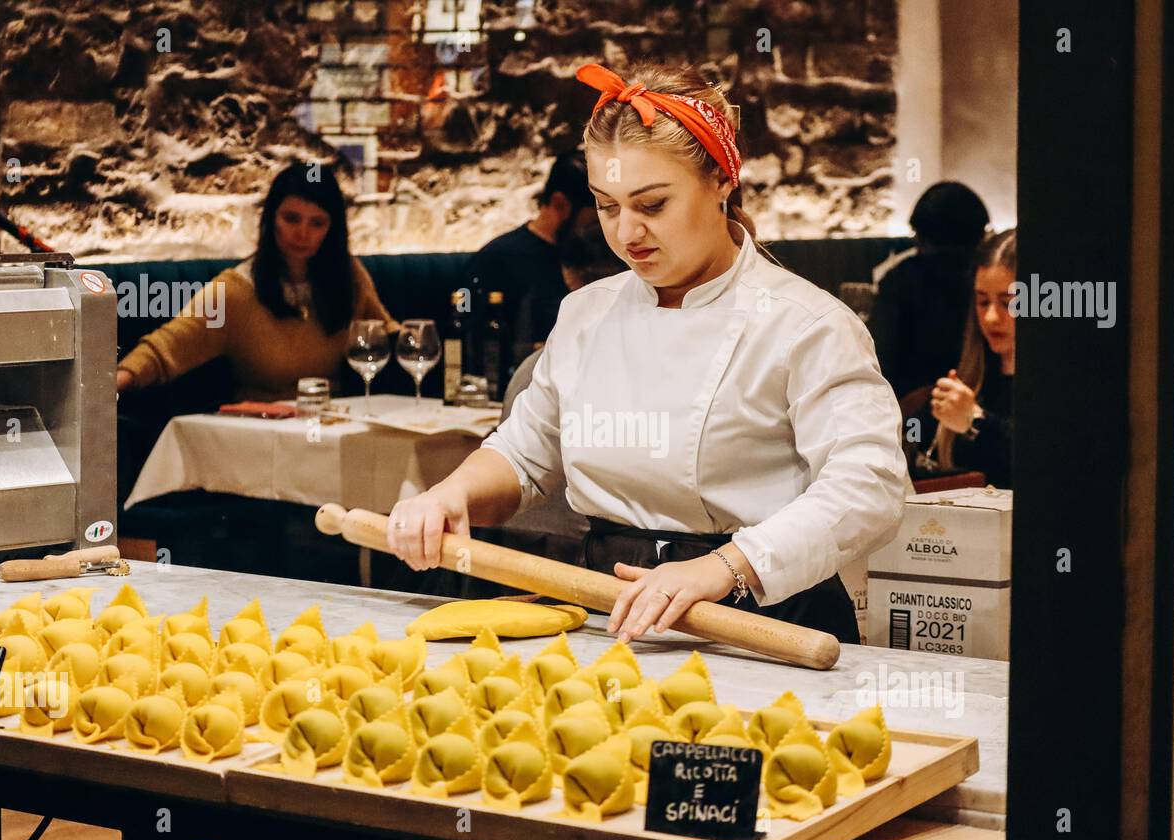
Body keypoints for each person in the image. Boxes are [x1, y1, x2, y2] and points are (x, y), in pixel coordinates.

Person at [386, 62, 907, 646]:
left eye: (652, 204)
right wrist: (450, 492)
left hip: (762, 622)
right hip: (608, 609)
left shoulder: (805, 324)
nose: (626, 233)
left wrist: (724, 568)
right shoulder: (587, 312)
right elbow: (524, 453)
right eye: (607, 206)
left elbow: (870, 485)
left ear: (721, 183)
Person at [116, 162, 395, 402]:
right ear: (271, 218)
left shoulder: (348, 277)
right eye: (291, 218)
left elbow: (387, 334)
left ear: (332, 229)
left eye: (317, 223)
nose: (302, 233)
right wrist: (117, 380)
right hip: (258, 434)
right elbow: (171, 344)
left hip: (336, 426)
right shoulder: (236, 290)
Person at [462, 149, 597, 378]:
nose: (600, 227)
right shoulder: (499, 258)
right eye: (593, 218)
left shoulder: (588, 257)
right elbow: (471, 334)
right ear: (560, 204)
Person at [870, 181, 991, 398]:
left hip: (908, 409)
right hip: (980, 401)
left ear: (922, 239)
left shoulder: (901, 280)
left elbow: (878, 361)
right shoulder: (987, 279)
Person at [926, 229, 1016, 488]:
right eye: (982, 301)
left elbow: (1043, 464)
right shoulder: (975, 372)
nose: (990, 317)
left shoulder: (1065, 379)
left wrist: (976, 422)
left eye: (1007, 302)